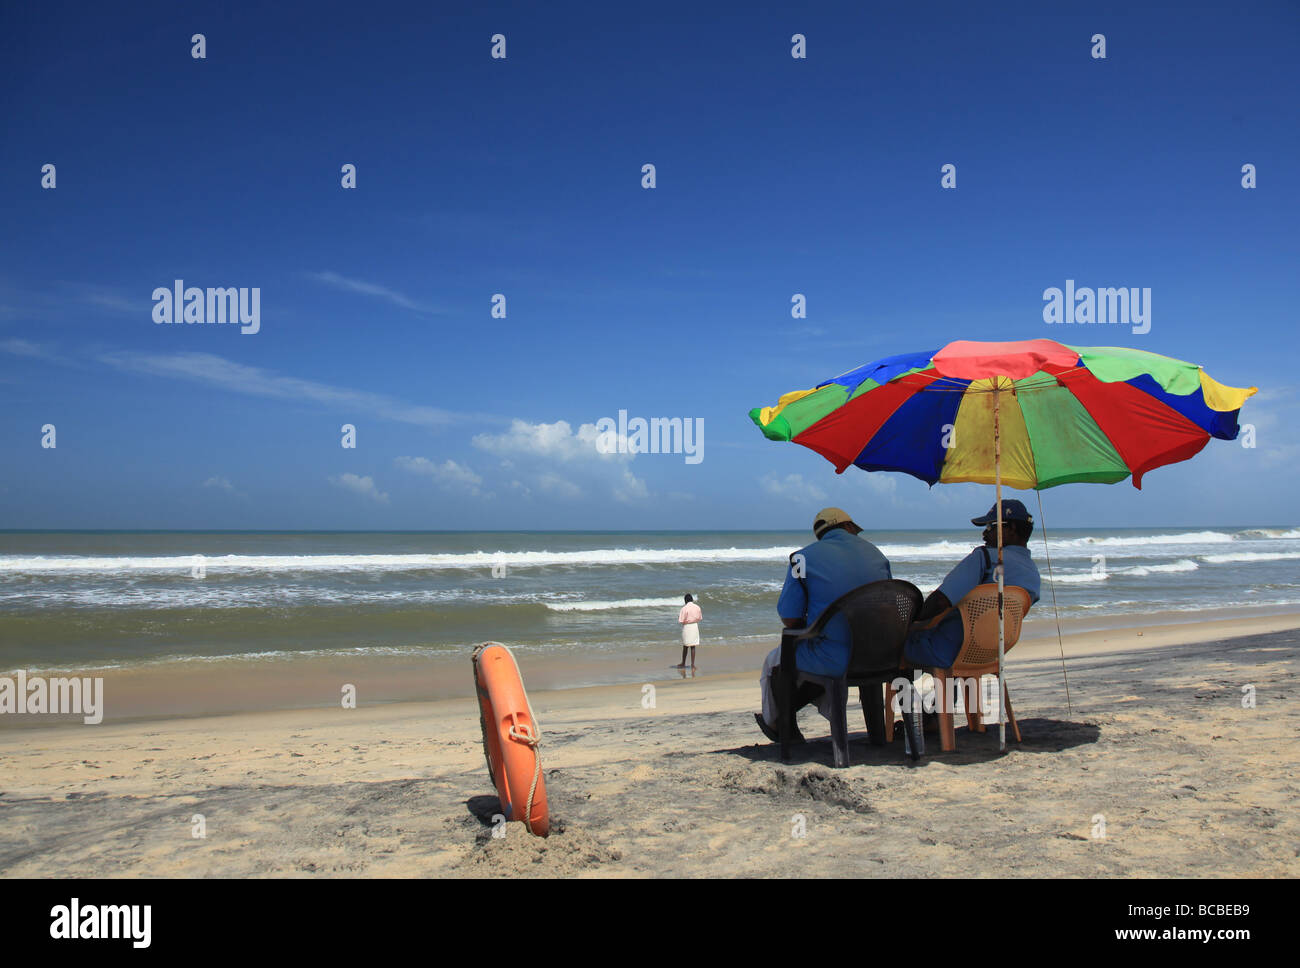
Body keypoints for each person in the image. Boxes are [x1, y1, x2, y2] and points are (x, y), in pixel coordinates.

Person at [755, 507, 892, 743]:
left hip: (835, 658)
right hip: (880, 656)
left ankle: (783, 727)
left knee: (777, 661)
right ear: (848, 527)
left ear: (820, 534)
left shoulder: (800, 559)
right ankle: (877, 734)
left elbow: (789, 618)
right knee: (826, 654)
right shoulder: (878, 556)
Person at [904, 497, 1043, 678]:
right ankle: (938, 703)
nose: (984, 534)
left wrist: (909, 623)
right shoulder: (1032, 572)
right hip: (992, 653)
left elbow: (940, 600)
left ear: (1011, 529)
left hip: (949, 651)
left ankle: (918, 705)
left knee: (897, 647)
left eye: (990, 527)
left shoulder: (984, 557)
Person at [677, 593, 702, 669]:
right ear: (692, 599)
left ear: (685, 600)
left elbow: (681, 620)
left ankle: (683, 663)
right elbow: (700, 618)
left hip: (687, 627)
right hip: (694, 626)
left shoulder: (684, 608)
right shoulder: (697, 607)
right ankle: (693, 664)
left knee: (685, 646)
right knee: (693, 646)